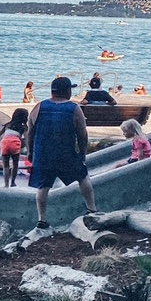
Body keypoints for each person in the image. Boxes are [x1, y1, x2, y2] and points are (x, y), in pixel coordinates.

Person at [25, 76, 100, 230]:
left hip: (44, 155)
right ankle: (92, 209)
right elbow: (82, 134)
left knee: (43, 186)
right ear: (67, 91)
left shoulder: (39, 107)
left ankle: (42, 219)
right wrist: (82, 154)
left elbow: (30, 131)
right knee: (83, 177)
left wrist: (30, 152)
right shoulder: (74, 109)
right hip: (66, 154)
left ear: (52, 91)